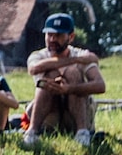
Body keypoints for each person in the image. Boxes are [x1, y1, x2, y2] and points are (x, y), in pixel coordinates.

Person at [23, 14, 106, 146]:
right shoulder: (39, 55)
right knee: (50, 75)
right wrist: (74, 60)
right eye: (49, 35)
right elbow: (33, 68)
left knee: (73, 72)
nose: (52, 39)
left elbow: (100, 85)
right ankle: (32, 131)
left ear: (71, 37)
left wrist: (70, 89)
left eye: (58, 35)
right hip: (50, 116)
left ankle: (82, 132)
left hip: (74, 115)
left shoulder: (81, 54)